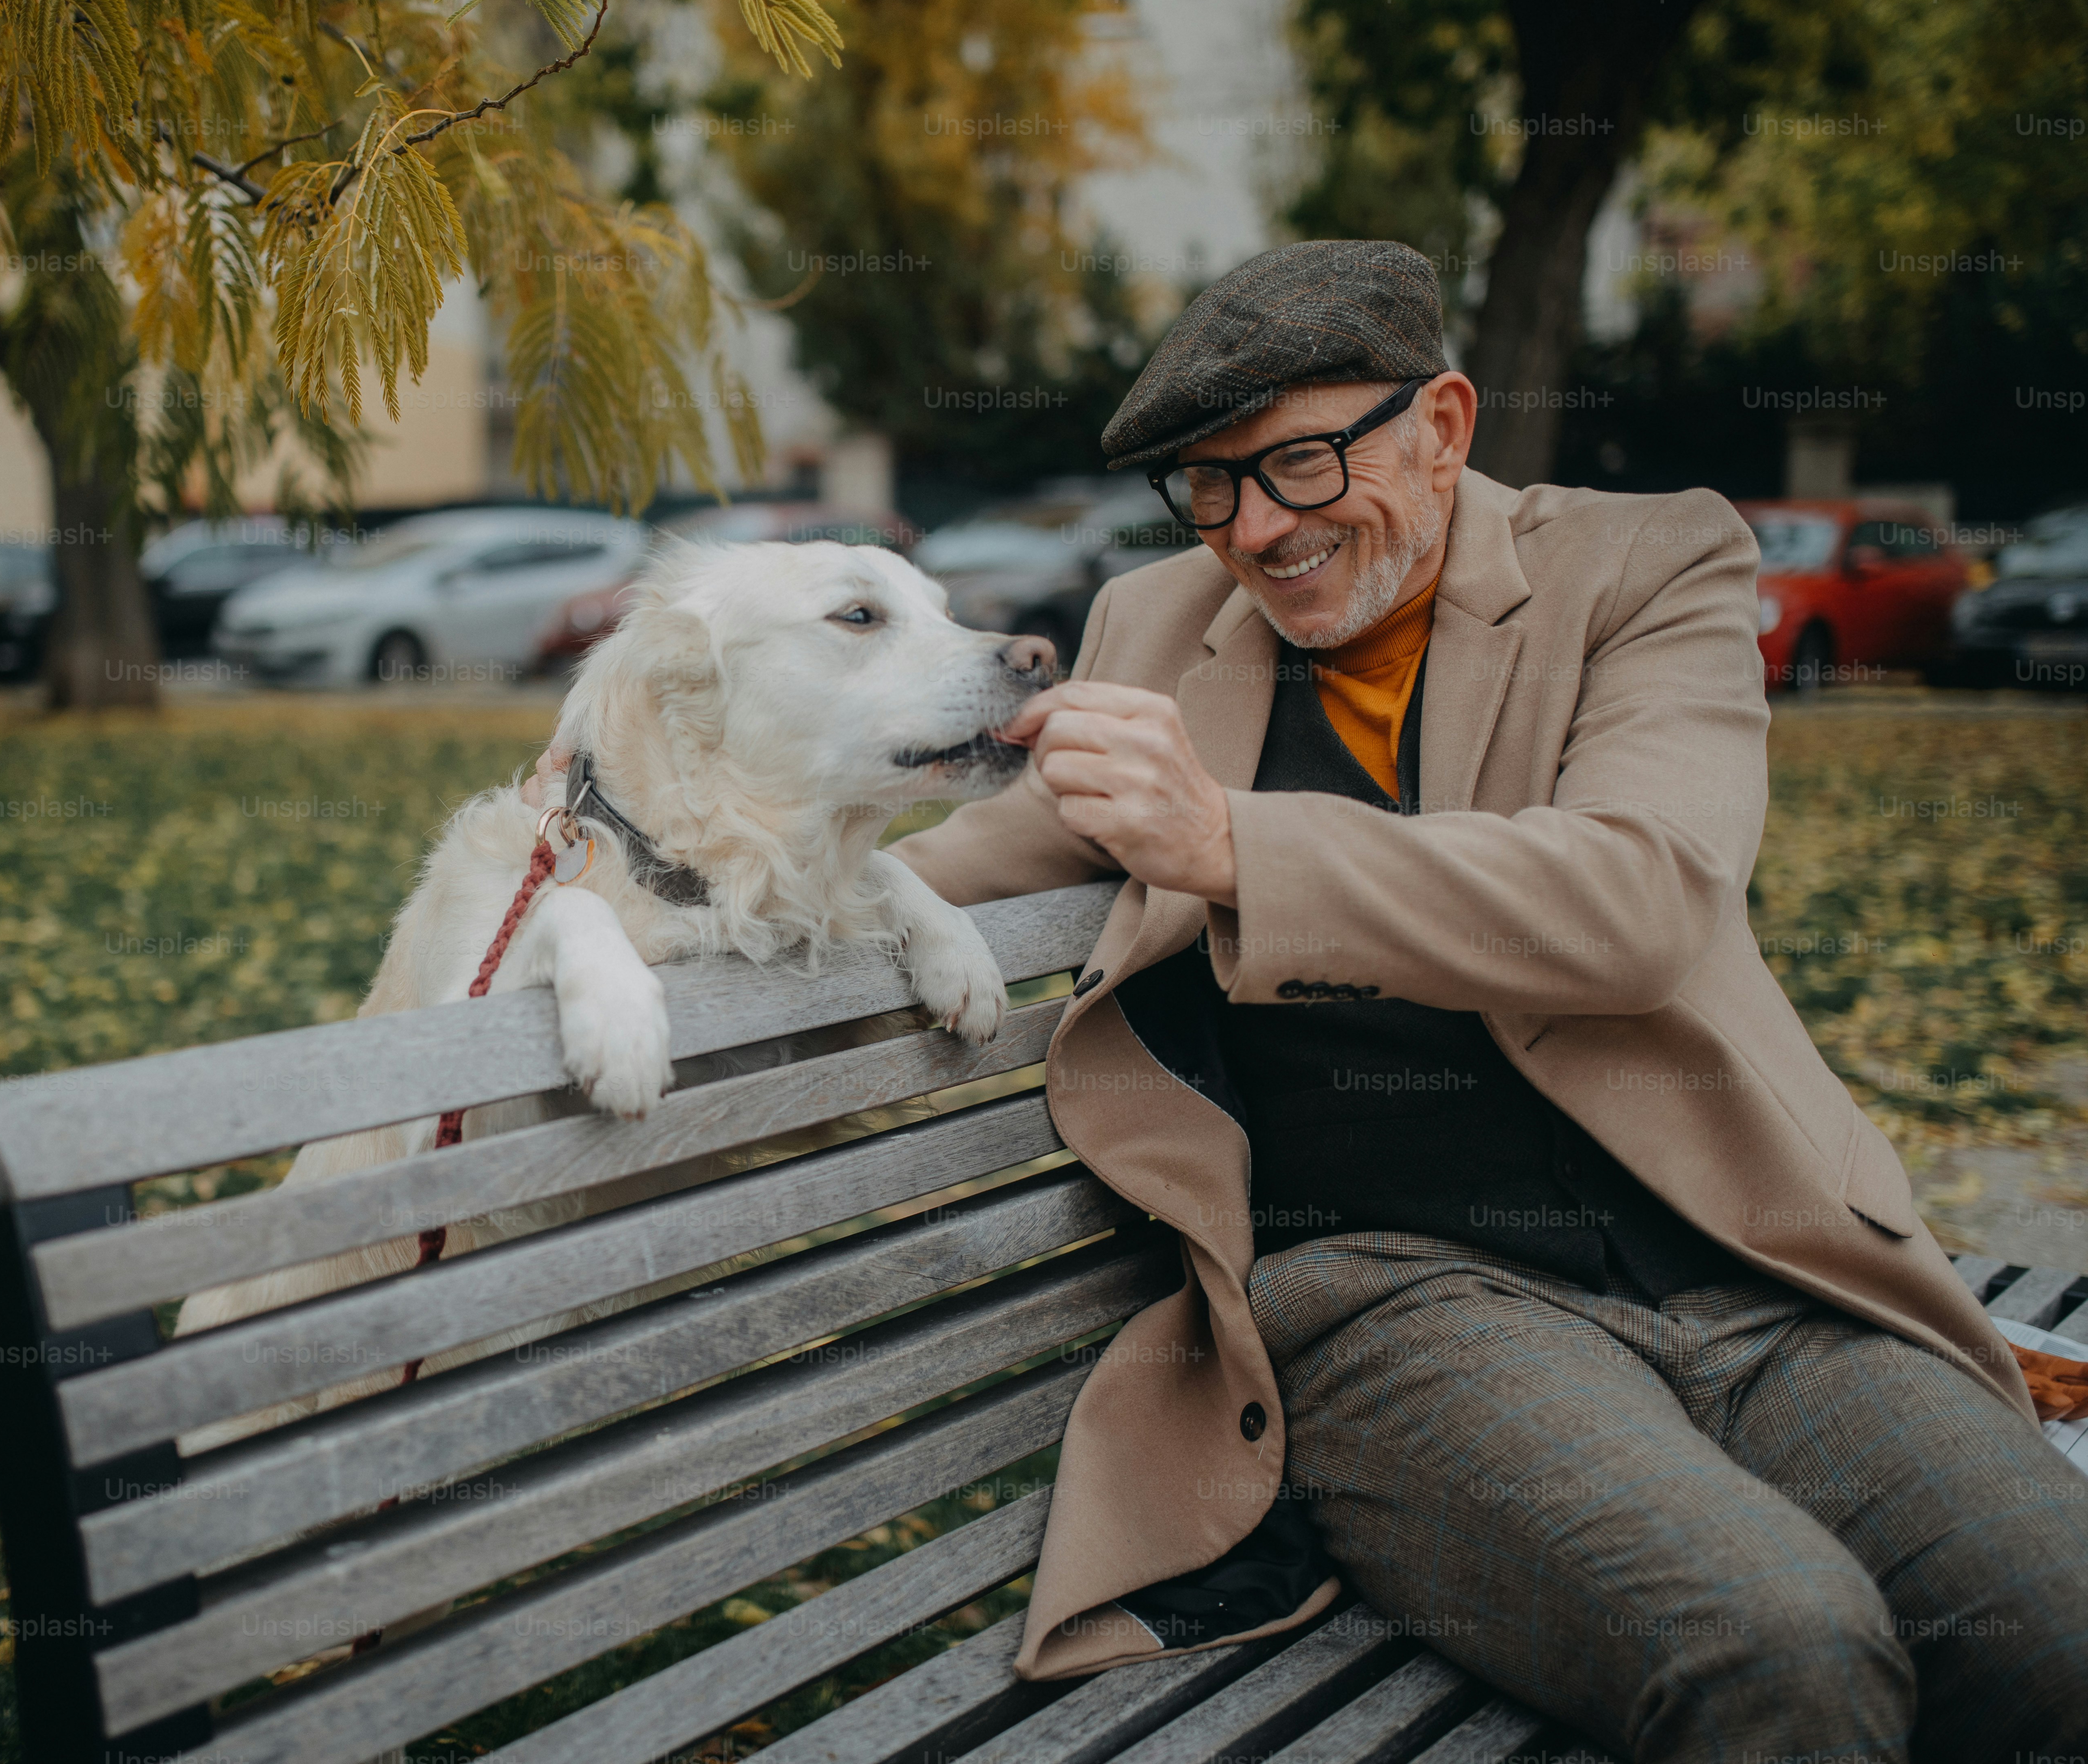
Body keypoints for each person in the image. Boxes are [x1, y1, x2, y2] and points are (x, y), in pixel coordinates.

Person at [887, 239, 2088, 1762]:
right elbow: (955, 874)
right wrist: (599, 875)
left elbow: (1639, 898)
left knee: (2058, 1627)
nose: (1258, 529)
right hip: (1400, 1299)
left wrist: (1233, 842)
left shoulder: (1649, 567)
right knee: (1785, 1649)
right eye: (1211, 483)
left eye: (1306, 464)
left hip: (1753, 1266)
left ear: (1444, 426)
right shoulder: (1158, 628)